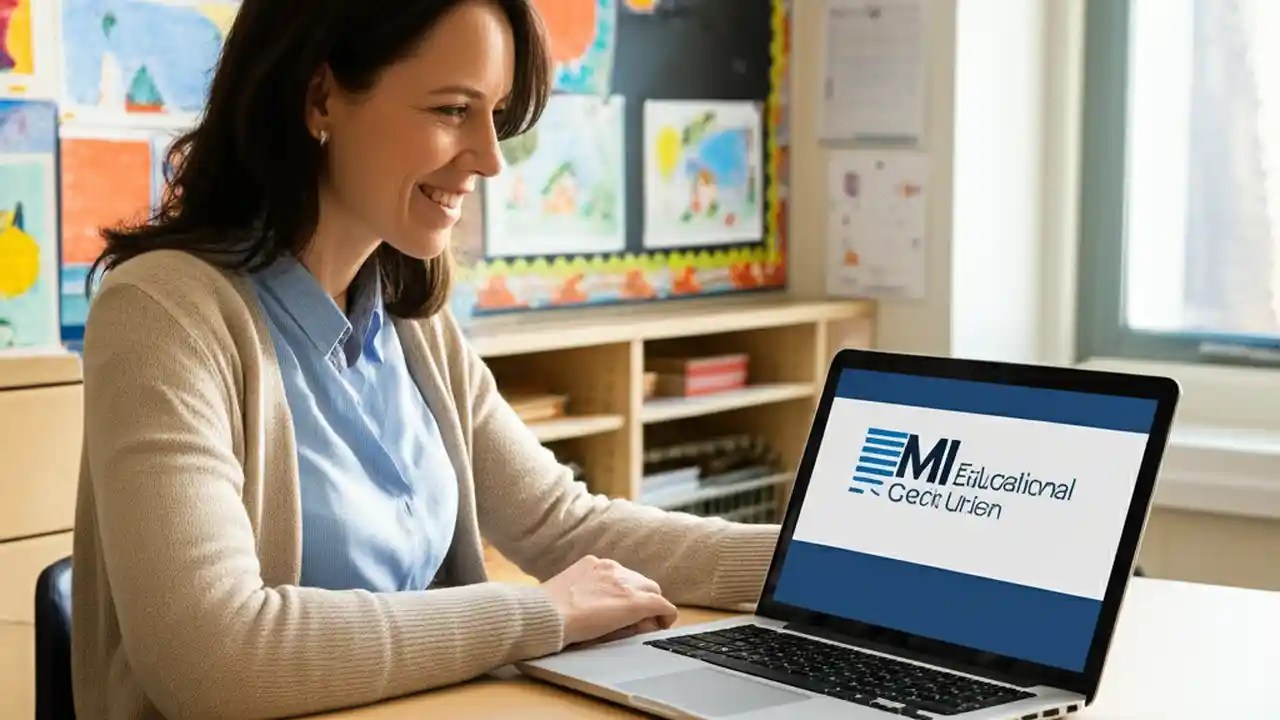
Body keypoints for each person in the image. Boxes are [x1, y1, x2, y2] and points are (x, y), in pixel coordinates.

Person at [71, 1, 781, 718]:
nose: (490, 157)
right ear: (320, 98)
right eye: (451, 110)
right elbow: (210, 655)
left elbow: (565, 524)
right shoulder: (163, 314)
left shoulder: (411, 317)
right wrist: (538, 616)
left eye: (494, 112)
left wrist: (823, 566)